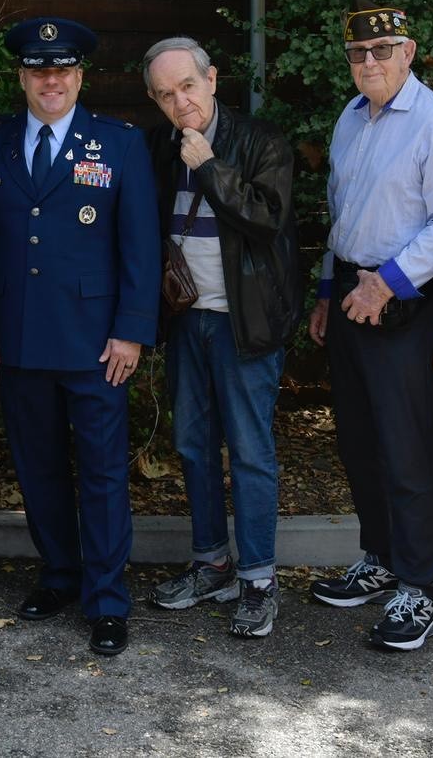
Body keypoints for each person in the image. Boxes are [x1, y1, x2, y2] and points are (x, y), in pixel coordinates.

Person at [0, 17, 160, 658]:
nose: (52, 80)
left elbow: (140, 246)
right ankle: (59, 575)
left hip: (96, 343)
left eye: (63, 69)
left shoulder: (119, 143)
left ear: (80, 77)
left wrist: (131, 332)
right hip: (16, 338)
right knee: (38, 467)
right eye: (39, 69)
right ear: (22, 77)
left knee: (102, 473)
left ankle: (107, 599)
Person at [306, 3, 433, 651]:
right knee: (359, 441)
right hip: (351, 292)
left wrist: (387, 283)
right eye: (357, 53)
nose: (368, 62)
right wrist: (329, 292)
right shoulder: (350, 118)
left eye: (382, 50)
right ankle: (378, 559)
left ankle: (420, 587)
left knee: (405, 447)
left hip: (401, 300)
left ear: (409, 52)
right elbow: (340, 214)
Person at [141, 36, 301, 639]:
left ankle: (258, 579)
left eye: (187, 85)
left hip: (244, 323)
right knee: (192, 446)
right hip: (187, 319)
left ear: (212, 80)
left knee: (251, 453)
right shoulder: (159, 147)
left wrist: (209, 165)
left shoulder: (262, 141)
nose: (179, 101)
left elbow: (265, 219)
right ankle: (212, 565)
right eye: (165, 94)